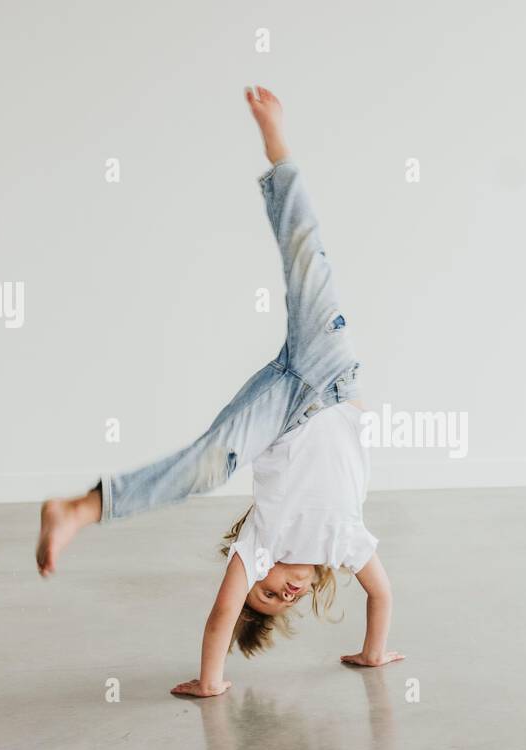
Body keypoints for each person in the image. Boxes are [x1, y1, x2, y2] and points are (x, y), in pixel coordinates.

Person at [35, 86, 402, 698]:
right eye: (285, 601)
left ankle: (277, 139)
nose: (281, 593)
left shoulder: (263, 545)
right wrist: (373, 653)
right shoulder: (344, 544)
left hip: (282, 414)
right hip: (331, 379)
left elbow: (220, 617)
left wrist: (211, 682)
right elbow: (383, 594)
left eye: (266, 593)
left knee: (213, 458)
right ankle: (77, 509)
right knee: (308, 263)